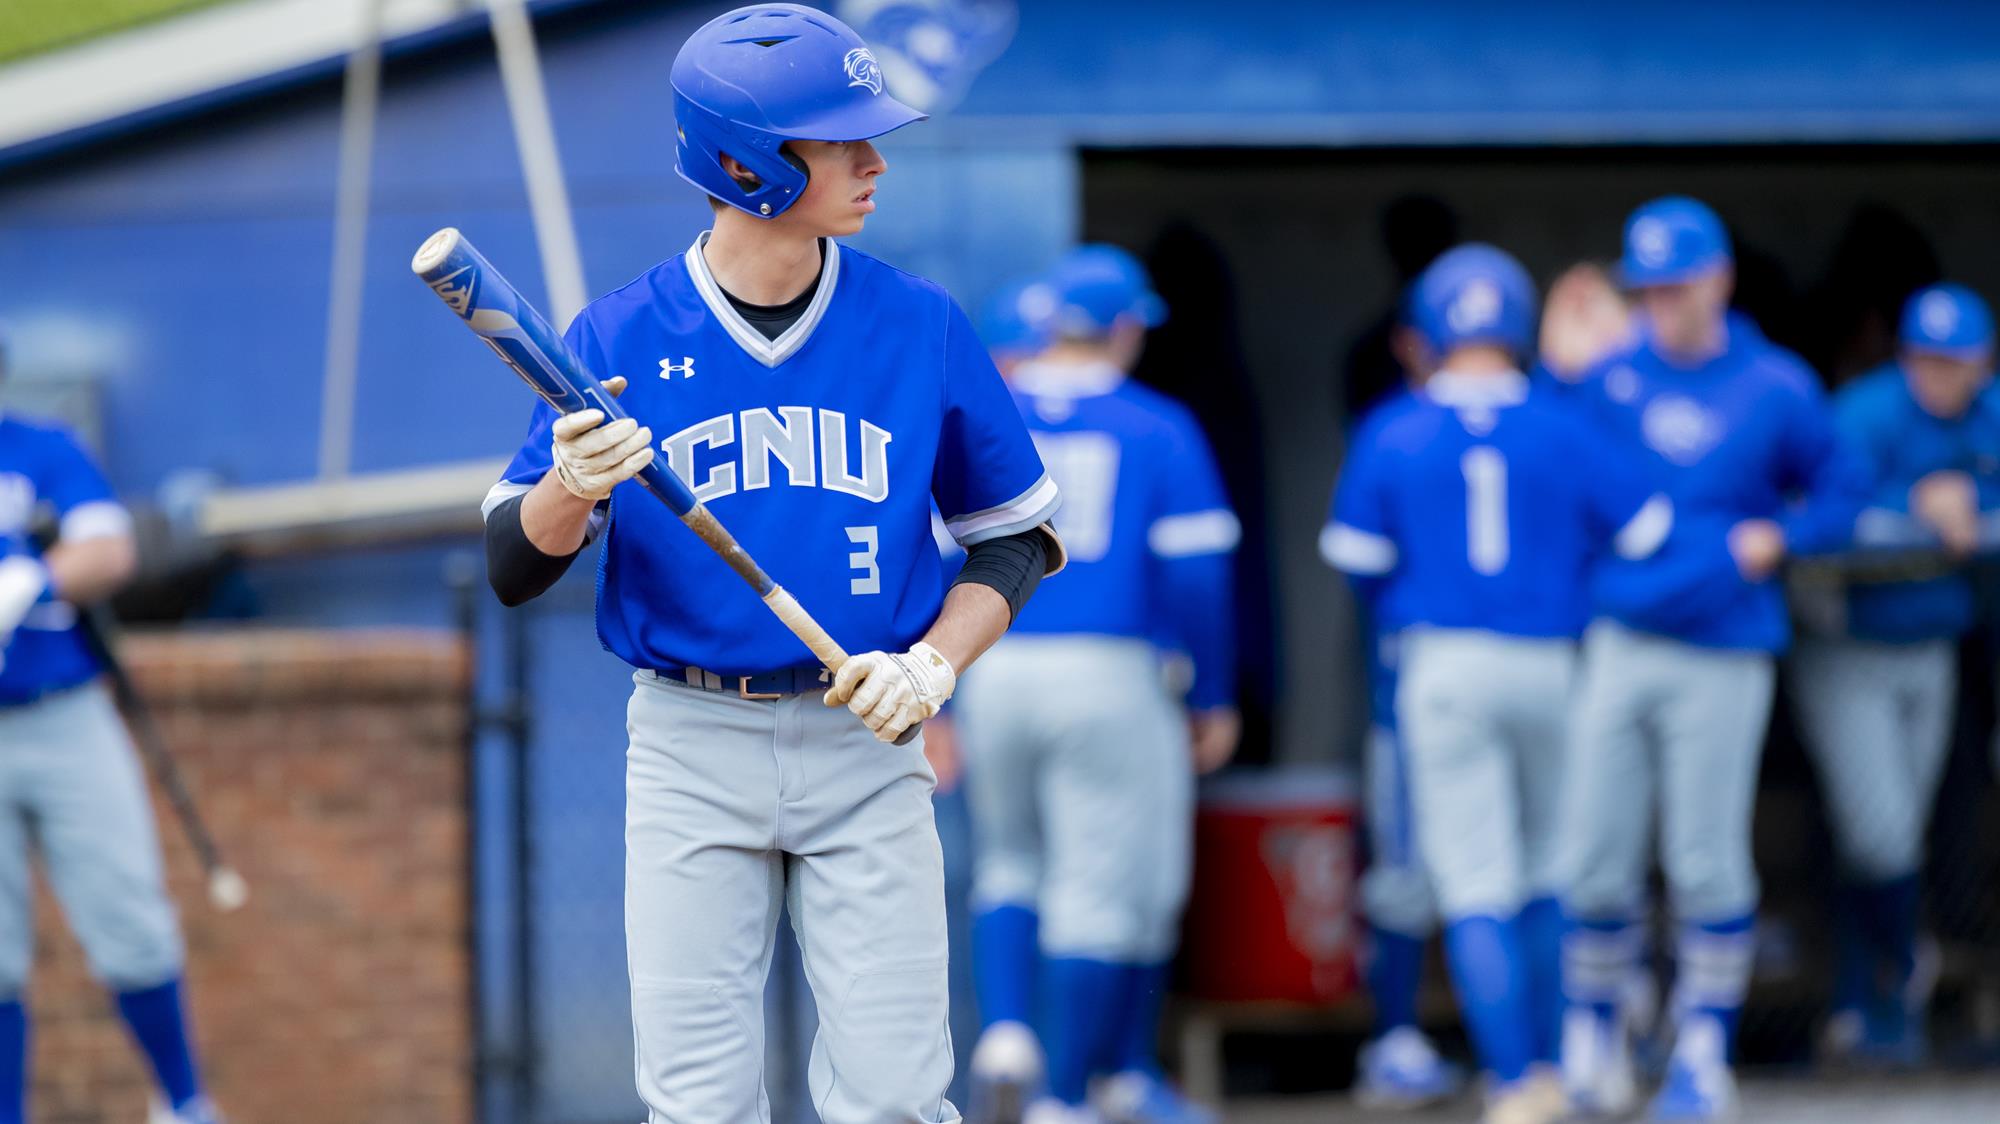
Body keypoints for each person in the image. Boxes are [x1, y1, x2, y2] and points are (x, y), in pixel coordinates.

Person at [479, 7, 1063, 1120]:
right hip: (690, 739)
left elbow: (1015, 537)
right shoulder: (615, 337)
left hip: (868, 732)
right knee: (697, 1104)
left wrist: (932, 668)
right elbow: (514, 566)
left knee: (897, 1098)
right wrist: (572, 481)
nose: (875, 162)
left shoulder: (918, 322)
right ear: (745, 165)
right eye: (842, 141)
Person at [1325, 245, 1672, 1124]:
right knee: (1550, 872)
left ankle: (1517, 1083)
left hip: (1442, 661)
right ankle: (1555, 1067)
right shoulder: (1560, 424)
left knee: (1476, 882)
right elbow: (1645, 533)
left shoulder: (1395, 427)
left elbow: (1358, 562)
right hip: (1550, 659)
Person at [1556, 197, 1864, 1121]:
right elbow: (1552, 475)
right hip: (1622, 633)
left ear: (1719, 280)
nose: (1663, 303)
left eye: (1678, 285)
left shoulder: (1774, 382)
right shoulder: (1608, 377)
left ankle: (1701, 1054)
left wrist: (1786, 536)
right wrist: (1555, 361)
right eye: (1648, 288)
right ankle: (1596, 1035)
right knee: (1594, 856)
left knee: (1704, 858)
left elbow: (1843, 487)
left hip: (1725, 642)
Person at [955, 245, 1239, 1124]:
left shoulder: (992, 413)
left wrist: (940, 691)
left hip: (991, 661)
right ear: (1121, 329)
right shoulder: (1156, 424)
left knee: (1009, 859)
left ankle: (1009, 1034)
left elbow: (928, 557)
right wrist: (1212, 692)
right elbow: (1197, 578)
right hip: (1107, 669)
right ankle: (1067, 1094)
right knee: (1096, 888)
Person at [0, 335, 221, 1124]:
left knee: (130, 920)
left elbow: (109, 549)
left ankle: (183, 1103)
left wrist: (31, 579)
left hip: (62, 710)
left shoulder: (39, 448)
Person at [1789, 283, 2000, 1066]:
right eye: (1925, 359)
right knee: (1879, 833)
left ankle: (1869, 999)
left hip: (1933, 645)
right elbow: (1818, 512)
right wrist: (1918, 510)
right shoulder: (1864, 411)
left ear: (1983, 363)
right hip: (1849, 643)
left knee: (1895, 829)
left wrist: (1971, 501)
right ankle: (1903, 966)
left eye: (1956, 361)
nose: (1939, 375)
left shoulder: (1990, 413)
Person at [1344, 284, 1464, 1111]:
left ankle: (1526, 1053)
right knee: (1411, 872)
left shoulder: (1395, 430)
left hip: (1421, 678)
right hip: (1429, 684)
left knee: (1431, 871)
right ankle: (1400, 1039)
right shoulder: (1394, 427)